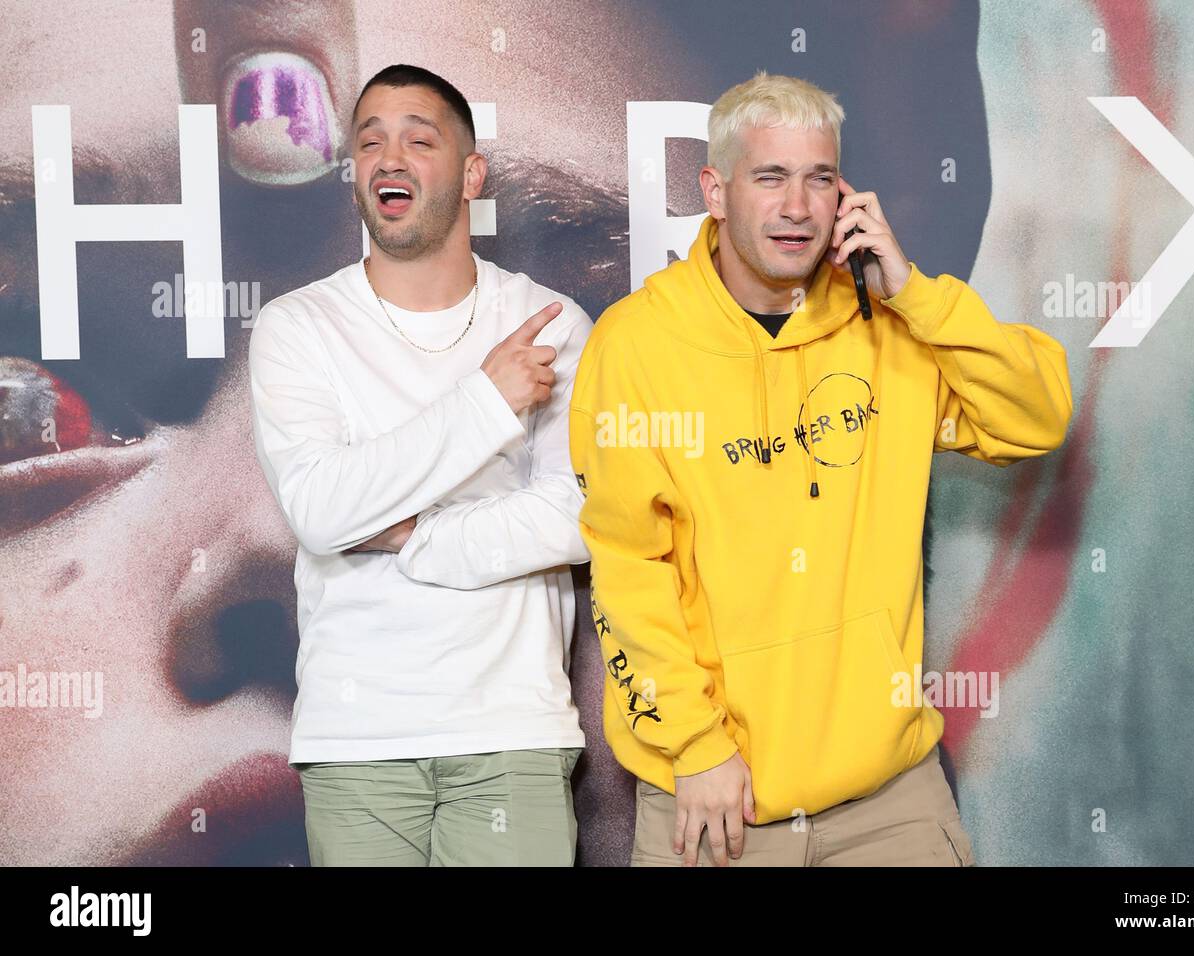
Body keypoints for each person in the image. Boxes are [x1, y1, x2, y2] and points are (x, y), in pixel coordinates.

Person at [569, 72, 1074, 866]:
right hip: (715, 799)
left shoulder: (892, 326)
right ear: (715, 189)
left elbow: (1034, 417)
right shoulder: (637, 344)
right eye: (770, 177)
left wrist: (916, 293)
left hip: (890, 801)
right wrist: (695, 747)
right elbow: (629, 567)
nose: (798, 206)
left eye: (820, 178)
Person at [248, 64, 592, 866]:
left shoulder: (548, 324)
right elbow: (323, 513)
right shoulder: (298, 326)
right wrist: (484, 401)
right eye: (370, 142)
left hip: (512, 733)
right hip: (357, 740)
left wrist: (410, 533)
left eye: (418, 139)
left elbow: (580, 515)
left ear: (472, 172)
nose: (389, 159)